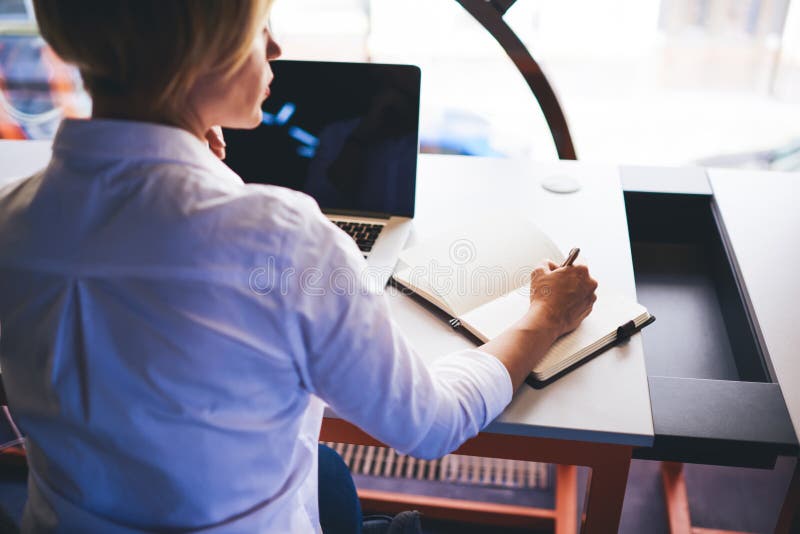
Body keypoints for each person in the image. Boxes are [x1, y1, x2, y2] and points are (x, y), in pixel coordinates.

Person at [0, 0, 598, 532]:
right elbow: (431, 424)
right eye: (260, 27)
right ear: (203, 52)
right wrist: (545, 315)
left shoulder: (12, 220)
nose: (277, 48)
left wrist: (207, 175)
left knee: (329, 471)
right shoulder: (285, 239)